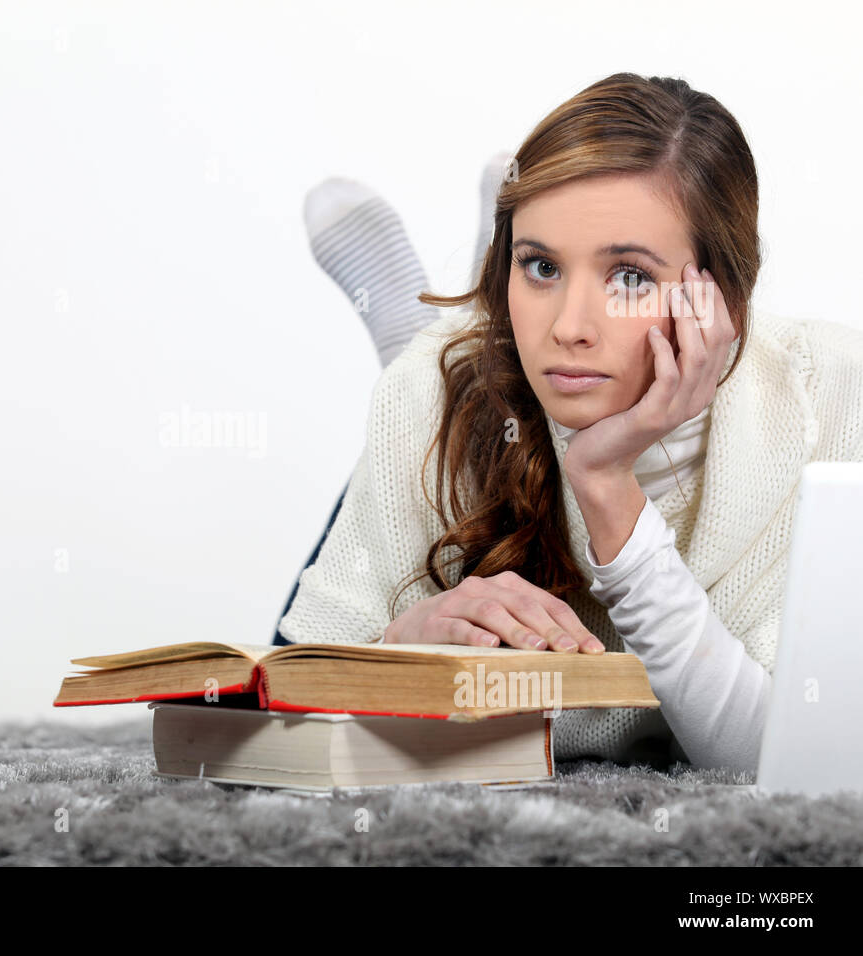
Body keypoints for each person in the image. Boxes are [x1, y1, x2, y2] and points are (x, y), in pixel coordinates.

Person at [272, 72, 863, 774]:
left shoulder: (833, 397)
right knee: (437, 384)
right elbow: (279, 706)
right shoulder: (421, 401)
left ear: (726, 296)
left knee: (446, 375)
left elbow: (790, 761)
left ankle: (449, 325)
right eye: (540, 266)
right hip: (465, 403)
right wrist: (399, 648)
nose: (569, 330)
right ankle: (454, 334)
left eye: (629, 277)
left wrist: (605, 480)